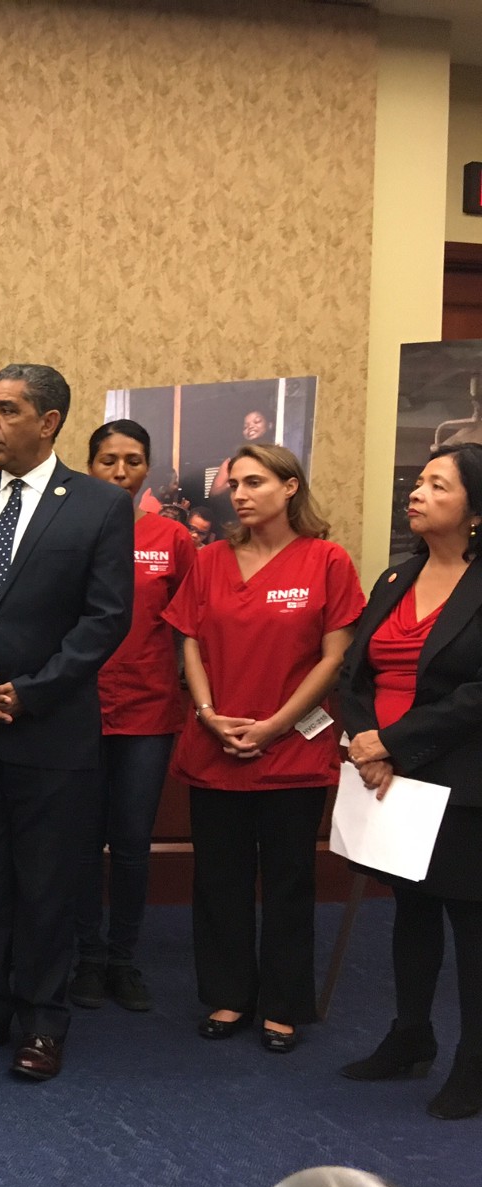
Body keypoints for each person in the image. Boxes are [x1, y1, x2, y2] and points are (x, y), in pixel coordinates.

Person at [0, 363, 133, 1082]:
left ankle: (43, 1020)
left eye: (6, 410)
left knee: (46, 881)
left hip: (50, 729)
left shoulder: (100, 507)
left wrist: (28, 693)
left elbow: (105, 621)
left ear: (49, 422)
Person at [163, 443, 362, 1053]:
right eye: (235, 484)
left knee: (288, 881)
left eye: (255, 482)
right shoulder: (212, 558)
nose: (240, 494)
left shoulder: (327, 560)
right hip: (217, 741)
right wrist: (207, 714)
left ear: (291, 487)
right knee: (218, 879)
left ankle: (282, 1003)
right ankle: (229, 995)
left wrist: (276, 724)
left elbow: (335, 657)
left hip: (292, 750)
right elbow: (189, 642)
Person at [338, 443, 482, 1119]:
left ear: (475, 510)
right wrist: (368, 743)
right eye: (418, 482)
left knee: (469, 922)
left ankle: (475, 1063)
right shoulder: (395, 579)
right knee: (410, 910)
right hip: (388, 778)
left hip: (460, 780)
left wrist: (392, 742)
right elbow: (356, 675)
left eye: (437, 485)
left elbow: (477, 694)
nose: (417, 492)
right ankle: (409, 1036)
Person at [70, 420, 195, 1013]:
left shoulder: (171, 538)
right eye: (108, 461)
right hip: (76, 707)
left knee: (131, 841)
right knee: (78, 838)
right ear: (89, 465)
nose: (121, 472)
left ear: (149, 468)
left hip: (148, 709)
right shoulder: (70, 530)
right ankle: (87, 957)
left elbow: (190, 628)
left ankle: (123, 958)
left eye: (133, 460)